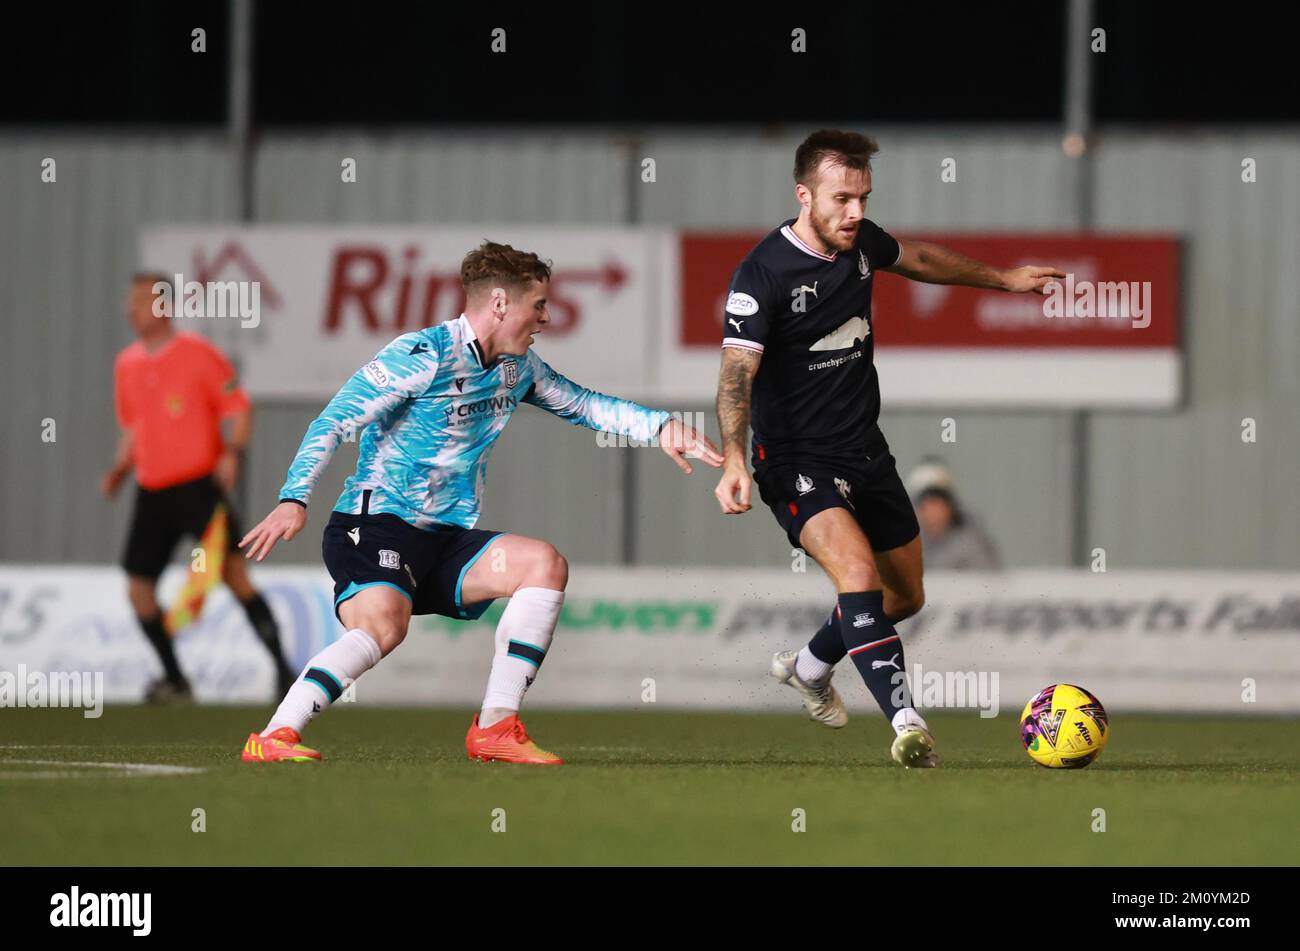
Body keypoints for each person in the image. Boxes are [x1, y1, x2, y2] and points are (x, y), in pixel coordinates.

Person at [237, 241, 721, 764]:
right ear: (498, 303)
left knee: (542, 564)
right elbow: (333, 422)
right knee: (384, 626)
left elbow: (583, 404)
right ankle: (274, 736)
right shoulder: (420, 355)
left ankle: (496, 726)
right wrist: (294, 498)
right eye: (537, 305)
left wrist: (663, 427)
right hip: (375, 524)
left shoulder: (518, 370)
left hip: (444, 539)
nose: (546, 317)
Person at [712, 130, 1062, 767]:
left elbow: (921, 259)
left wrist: (1003, 279)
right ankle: (907, 722)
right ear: (803, 194)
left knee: (904, 599)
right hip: (794, 462)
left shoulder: (861, 242)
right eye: (842, 198)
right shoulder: (761, 274)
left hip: (866, 454)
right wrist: (735, 457)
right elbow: (737, 372)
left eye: (864, 197)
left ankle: (811, 666)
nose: (856, 212)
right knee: (857, 576)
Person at [103, 273, 295, 704]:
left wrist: (233, 453)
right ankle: (176, 680)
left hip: (198, 490)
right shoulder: (127, 364)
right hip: (152, 492)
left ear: (165, 306)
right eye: (129, 301)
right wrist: (120, 468)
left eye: (139, 300)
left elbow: (240, 407)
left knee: (234, 576)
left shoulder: (199, 355)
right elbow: (134, 425)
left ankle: (285, 673)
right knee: (138, 590)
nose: (130, 309)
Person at [907, 459, 1001, 571]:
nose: (932, 514)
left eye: (937, 504)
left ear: (950, 507)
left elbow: (988, 583)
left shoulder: (972, 546)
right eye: (924, 506)